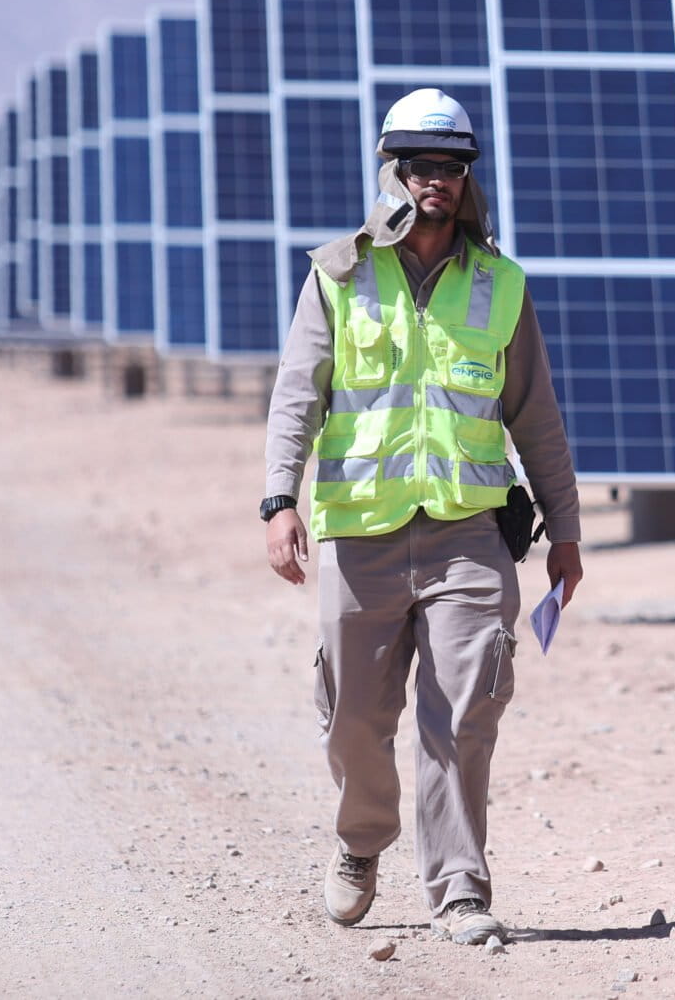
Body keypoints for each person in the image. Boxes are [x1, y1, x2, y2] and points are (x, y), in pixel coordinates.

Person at [259, 88, 582, 946]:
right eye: (419, 165)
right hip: (361, 531)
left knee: (465, 710)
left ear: (466, 177)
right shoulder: (339, 274)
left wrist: (569, 533)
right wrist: (277, 499)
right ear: (391, 173)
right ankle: (361, 843)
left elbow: (535, 417)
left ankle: (461, 888)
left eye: (451, 166)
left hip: (469, 535)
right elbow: (299, 394)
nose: (435, 179)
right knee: (356, 717)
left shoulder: (501, 284)